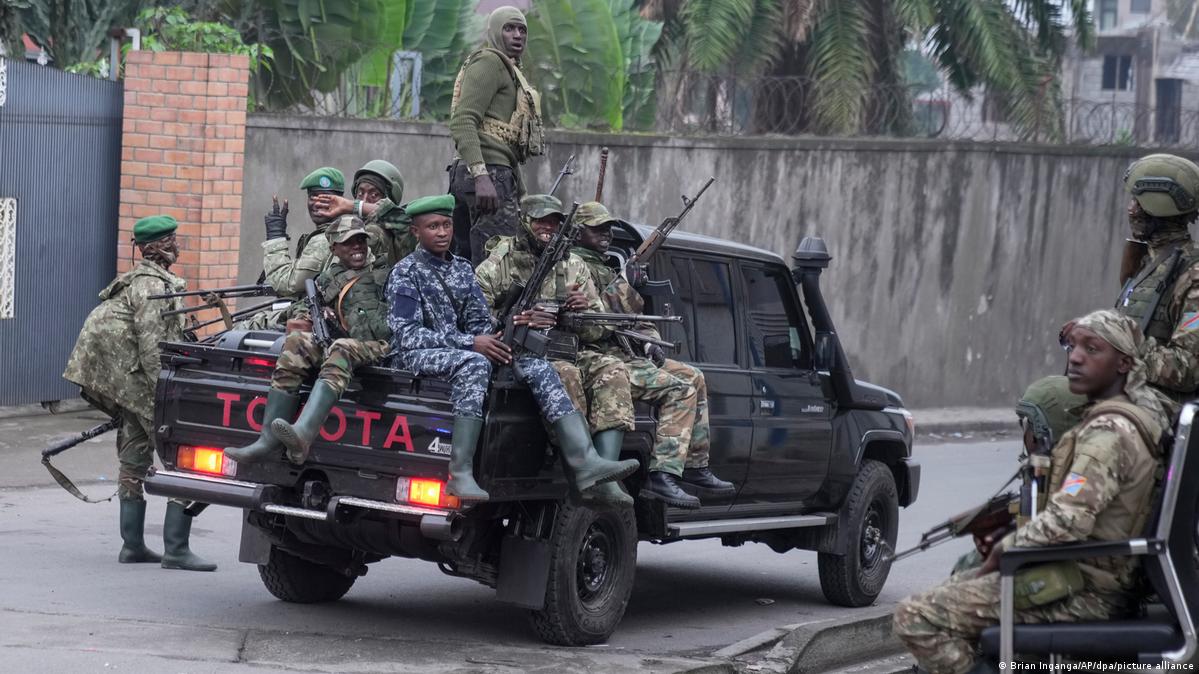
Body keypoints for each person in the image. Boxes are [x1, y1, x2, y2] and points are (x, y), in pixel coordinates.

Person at [893, 310, 1169, 674]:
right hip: (1088, 578)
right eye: (1073, 346)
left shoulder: (1109, 434)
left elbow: (1068, 520)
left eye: (1092, 348)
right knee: (958, 588)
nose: (1075, 357)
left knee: (915, 616)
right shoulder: (1132, 418)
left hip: (1084, 591)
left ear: (1123, 364)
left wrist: (1006, 549)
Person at [387, 195, 638, 501]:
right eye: (433, 226)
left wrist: (504, 334)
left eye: (447, 225)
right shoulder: (406, 272)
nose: (442, 232)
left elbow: (479, 321)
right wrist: (471, 343)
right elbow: (406, 335)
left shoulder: (461, 269)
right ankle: (460, 472)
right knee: (476, 364)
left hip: (460, 350)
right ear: (416, 231)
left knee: (536, 363)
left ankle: (584, 461)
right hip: (414, 355)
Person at [63, 215, 216, 572]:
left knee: (134, 458)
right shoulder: (150, 286)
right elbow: (152, 348)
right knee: (183, 457)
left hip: (130, 387)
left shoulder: (143, 280)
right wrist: (165, 396)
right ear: (155, 247)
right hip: (146, 386)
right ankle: (176, 549)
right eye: (171, 240)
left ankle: (132, 546)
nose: (177, 245)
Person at [475, 194, 637, 507]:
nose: (547, 228)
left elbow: (599, 328)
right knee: (566, 375)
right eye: (541, 221)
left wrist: (582, 310)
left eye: (553, 222)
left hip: (567, 346)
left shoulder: (573, 265)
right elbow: (473, 317)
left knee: (613, 370)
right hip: (521, 351)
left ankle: (605, 478)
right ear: (525, 222)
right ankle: (579, 472)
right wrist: (517, 319)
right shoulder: (499, 262)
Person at [572, 201, 736, 508]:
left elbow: (635, 318)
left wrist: (650, 343)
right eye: (597, 229)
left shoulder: (607, 266)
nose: (606, 234)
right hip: (596, 356)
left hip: (624, 353)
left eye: (608, 229)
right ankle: (662, 475)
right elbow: (595, 318)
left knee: (694, 376)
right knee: (680, 390)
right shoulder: (573, 266)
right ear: (578, 233)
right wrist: (626, 284)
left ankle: (695, 465)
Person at [226, 215, 391, 465]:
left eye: (361, 241)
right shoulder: (328, 279)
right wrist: (314, 315)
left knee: (341, 348)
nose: (357, 247)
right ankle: (267, 440)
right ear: (334, 248)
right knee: (297, 343)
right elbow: (301, 307)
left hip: (378, 345)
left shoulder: (383, 271)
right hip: (342, 343)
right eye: (348, 242)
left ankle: (303, 434)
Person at [448, 5, 545, 265]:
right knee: (496, 265)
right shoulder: (490, 62)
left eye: (522, 30)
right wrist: (481, 176)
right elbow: (463, 120)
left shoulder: (508, 70)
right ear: (494, 32)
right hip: (485, 174)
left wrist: (519, 189)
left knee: (467, 264)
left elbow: (504, 144)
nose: (517, 35)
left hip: (491, 173)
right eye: (509, 28)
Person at [311, 159, 414, 268]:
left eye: (374, 195)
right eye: (360, 193)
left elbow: (406, 221)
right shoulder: (349, 228)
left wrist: (355, 206)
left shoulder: (381, 231)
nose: (364, 200)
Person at [262, 166, 345, 297]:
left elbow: (284, 284)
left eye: (325, 199)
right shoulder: (339, 231)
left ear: (341, 202)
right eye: (313, 197)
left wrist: (275, 238)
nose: (317, 204)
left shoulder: (325, 240)